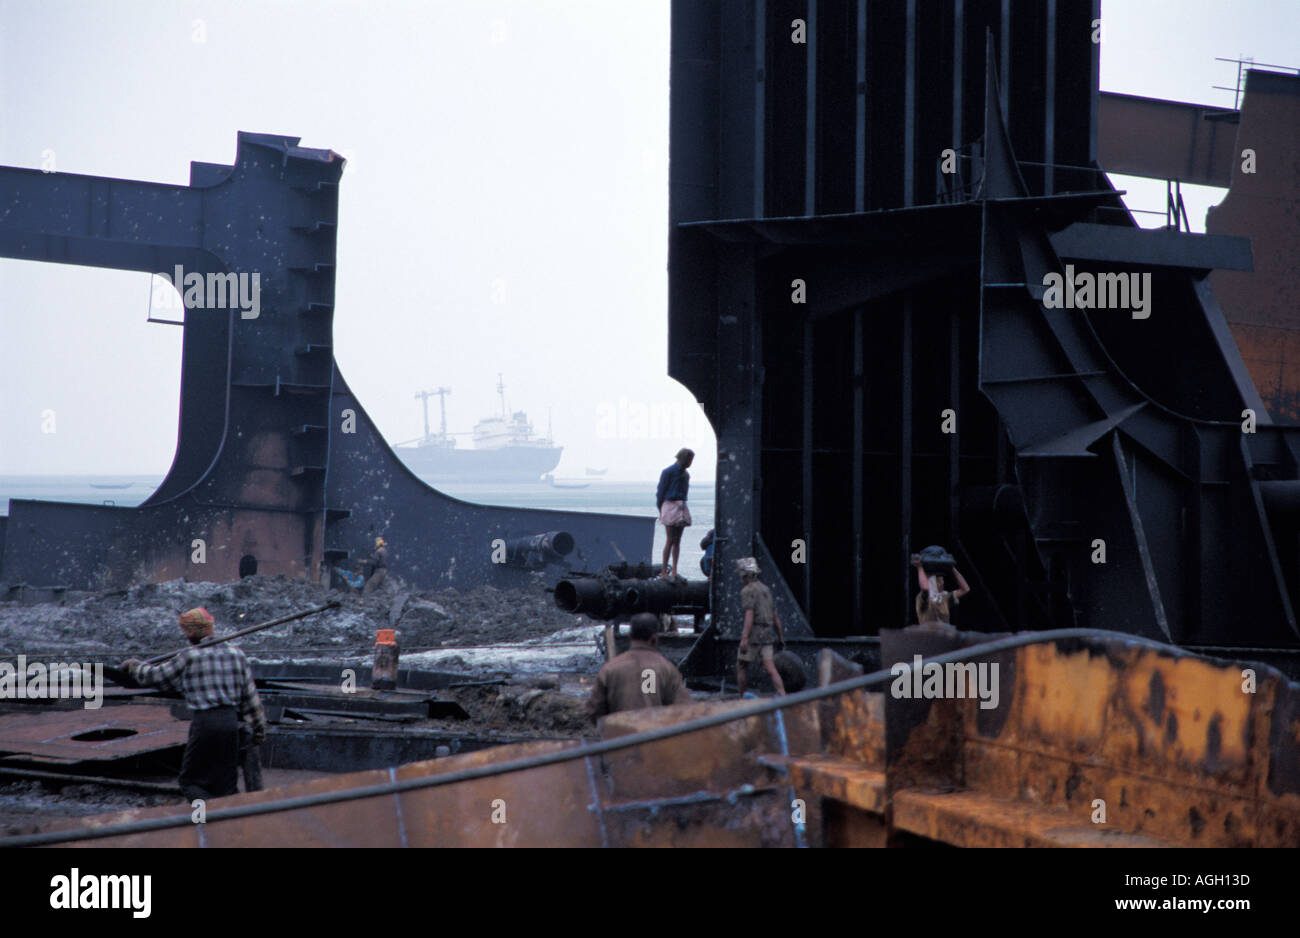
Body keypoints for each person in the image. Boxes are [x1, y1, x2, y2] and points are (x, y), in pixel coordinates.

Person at [122, 607, 267, 803]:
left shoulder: (189, 656)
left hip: (205, 724)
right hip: (230, 724)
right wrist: (259, 729)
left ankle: (204, 819)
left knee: (191, 782)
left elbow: (154, 677)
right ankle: (228, 820)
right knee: (225, 785)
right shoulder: (237, 654)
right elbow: (251, 698)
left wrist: (134, 665)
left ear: (190, 632)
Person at [586, 612, 690, 723]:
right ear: (655, 639)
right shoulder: (666, 669)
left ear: (630, 636)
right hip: (655, 735)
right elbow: (684, 709)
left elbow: (594, 710)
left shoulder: (610, 669)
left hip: (620, 737)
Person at [736, 557, 786, 696]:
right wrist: (781, 637)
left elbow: (749, 614)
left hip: (754, 634)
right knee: (771, 668)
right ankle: (783, 697)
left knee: (741, 665)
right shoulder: (766, 589)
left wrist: (744, 638)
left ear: (744, 574)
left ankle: (741, 699)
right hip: (767, 634)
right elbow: (776, 617)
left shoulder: (747, 591)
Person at [656, 448, 694, 580]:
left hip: (681, 505)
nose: (690, 463)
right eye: (689, 460)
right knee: (670, 539)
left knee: (677, 541)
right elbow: (660, 491)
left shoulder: (686, 475)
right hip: (670, 504)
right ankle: (664, 571)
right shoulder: (668, 472)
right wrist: (661, 508)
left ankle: (674, 570)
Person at [912, 553, 971, 627]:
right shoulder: (922, 598)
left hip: (944, 636)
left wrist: (952, 568)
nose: (942, 583)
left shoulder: (944, 598)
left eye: (942, 580)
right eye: (939, 580)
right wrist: (920, 567)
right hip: (929, 636)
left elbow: (965, 589)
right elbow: (925, 588)